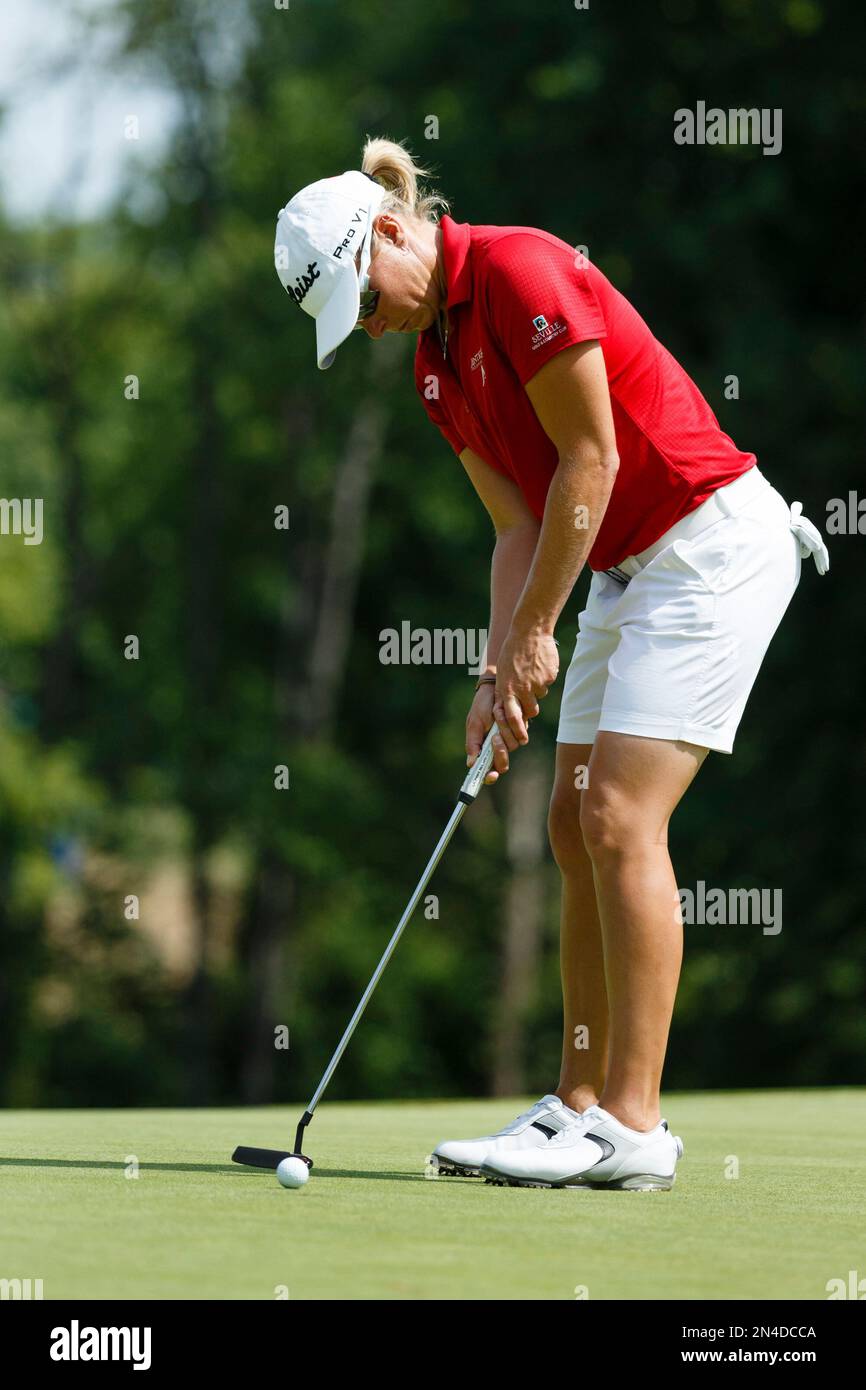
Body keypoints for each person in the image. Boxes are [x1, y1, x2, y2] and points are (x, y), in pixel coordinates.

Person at [273, 138, 829, 1191]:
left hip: (707, 541)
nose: (371, 323)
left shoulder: (521, 269)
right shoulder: (435, 368)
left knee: (620, 815)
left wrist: (536, 636)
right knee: (568, 818)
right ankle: (573, 1106)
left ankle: (633, 1125)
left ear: (389, 230)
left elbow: (593, 457)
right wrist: (494, 674)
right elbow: (515, 528)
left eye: (363, 297)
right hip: (620, 563)